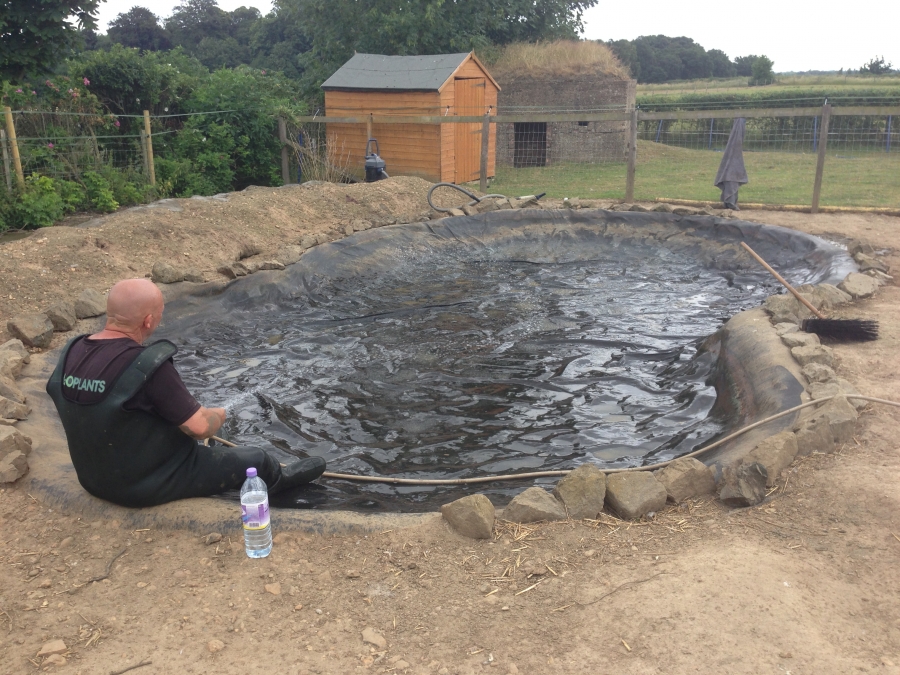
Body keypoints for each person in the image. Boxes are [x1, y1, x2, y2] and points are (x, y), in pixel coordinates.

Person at [46, 278, 325, 508]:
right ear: (148, 321)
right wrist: (218, 416)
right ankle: (280, 481)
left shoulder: (72, 350)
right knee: (256, 459)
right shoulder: (146, 364)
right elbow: (200, 427)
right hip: (144, 485)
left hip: (92, 478)